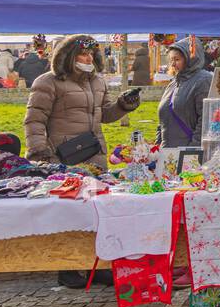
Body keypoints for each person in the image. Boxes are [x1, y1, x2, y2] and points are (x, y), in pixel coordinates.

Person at [25, 34, 141, 288]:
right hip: (64, 157)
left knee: (97, 213)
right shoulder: (48, 82)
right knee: (68, 213)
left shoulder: (97, 81)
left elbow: (106, 114)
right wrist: (39, 152)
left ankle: (96, 265)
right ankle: (67, 267)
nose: (88, 59)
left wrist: (123, 105)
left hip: (94, 154)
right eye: (82, 55)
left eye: (91, 55)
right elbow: (35, 120)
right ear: (68, 57)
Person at [157, 38, 213, 150]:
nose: (172, 64)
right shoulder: (173, 83)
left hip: (188, 155)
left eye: (177, 59)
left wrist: (192, 151)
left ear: (189, 59)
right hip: (168, 154)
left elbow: (206, 120)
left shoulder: (203, 80)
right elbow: (163, 120)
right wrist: (157, 147)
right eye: (171, 60)